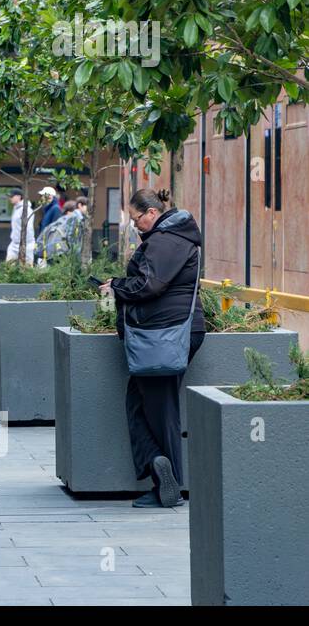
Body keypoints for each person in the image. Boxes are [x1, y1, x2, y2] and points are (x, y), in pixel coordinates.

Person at [101, 188, 203, 510]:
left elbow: (149, 285)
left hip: (165, 336)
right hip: (163, 335)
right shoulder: (168, 238)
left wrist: (117, 287)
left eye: (136, 219)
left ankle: (167, 485)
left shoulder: (167, 240)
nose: (135, 226)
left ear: (152, 213)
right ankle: (158, 464)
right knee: (140, 402)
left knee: (162, 410)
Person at [6, 190, 36, 263]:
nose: (10, 198)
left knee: (27, 268)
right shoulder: (16, 208)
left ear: (19, 197)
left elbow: (29, 229)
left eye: (12, 196)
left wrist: (25, 244)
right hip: (14, 243)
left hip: (26, 244)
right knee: (8, 267)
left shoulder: (26, 209)